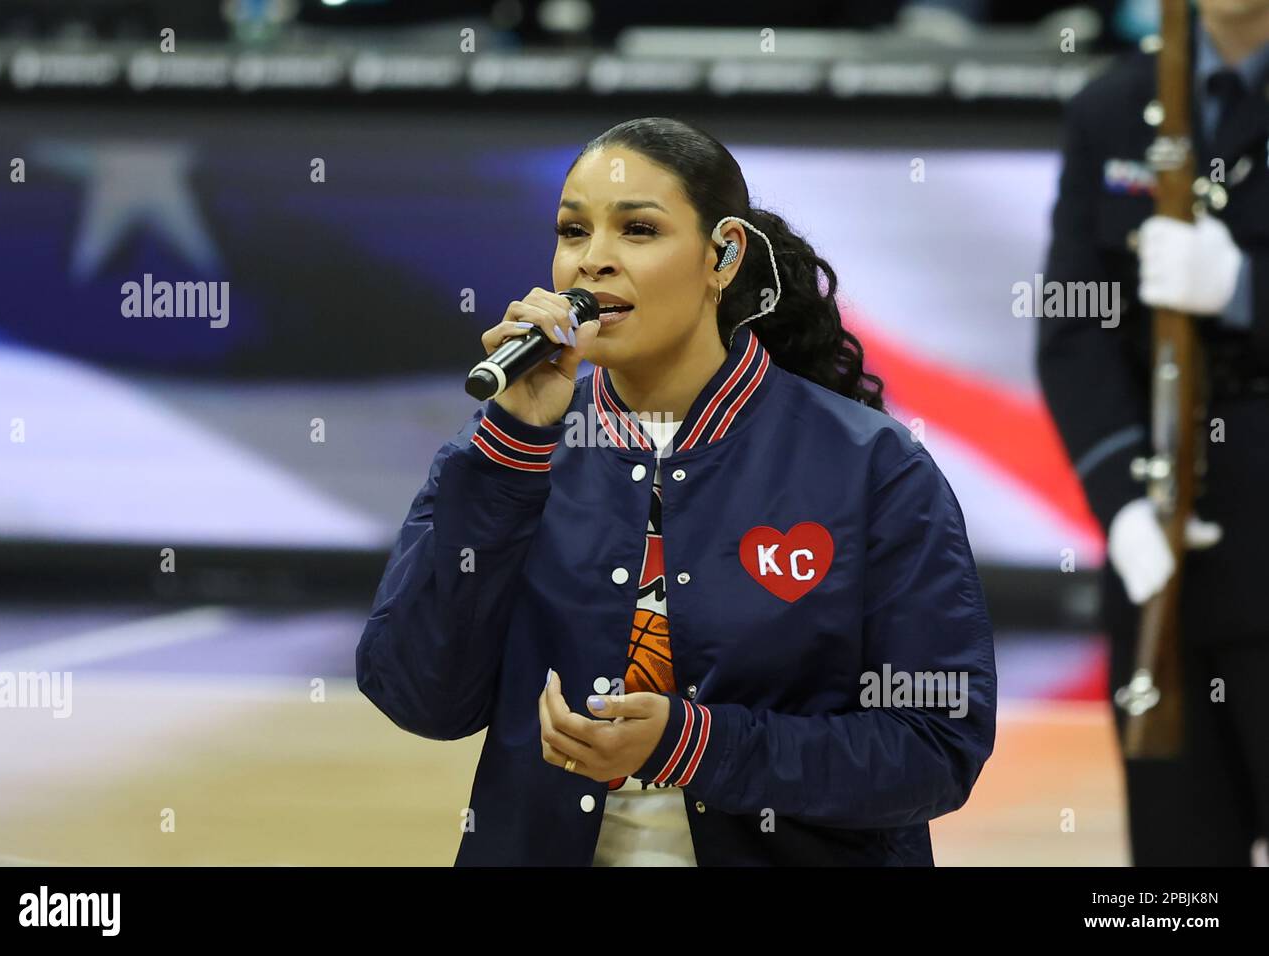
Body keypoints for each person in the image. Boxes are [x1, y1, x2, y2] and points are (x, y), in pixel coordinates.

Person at [357, 116, 996, 866]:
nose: (592, 262)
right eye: (572, 231)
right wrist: (509, 455)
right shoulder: (505, 448)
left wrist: (692, 744)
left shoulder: (873, 467)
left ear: (722, 256)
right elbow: (419, 696)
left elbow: (935, 748)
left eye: (638, 230)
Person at [1037, 0, 1269, 865]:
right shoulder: (1113, 107)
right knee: (1178, 881)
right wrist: (1122, 501)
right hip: (1167, 555)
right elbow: (1073, 325)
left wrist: (1245, 287)